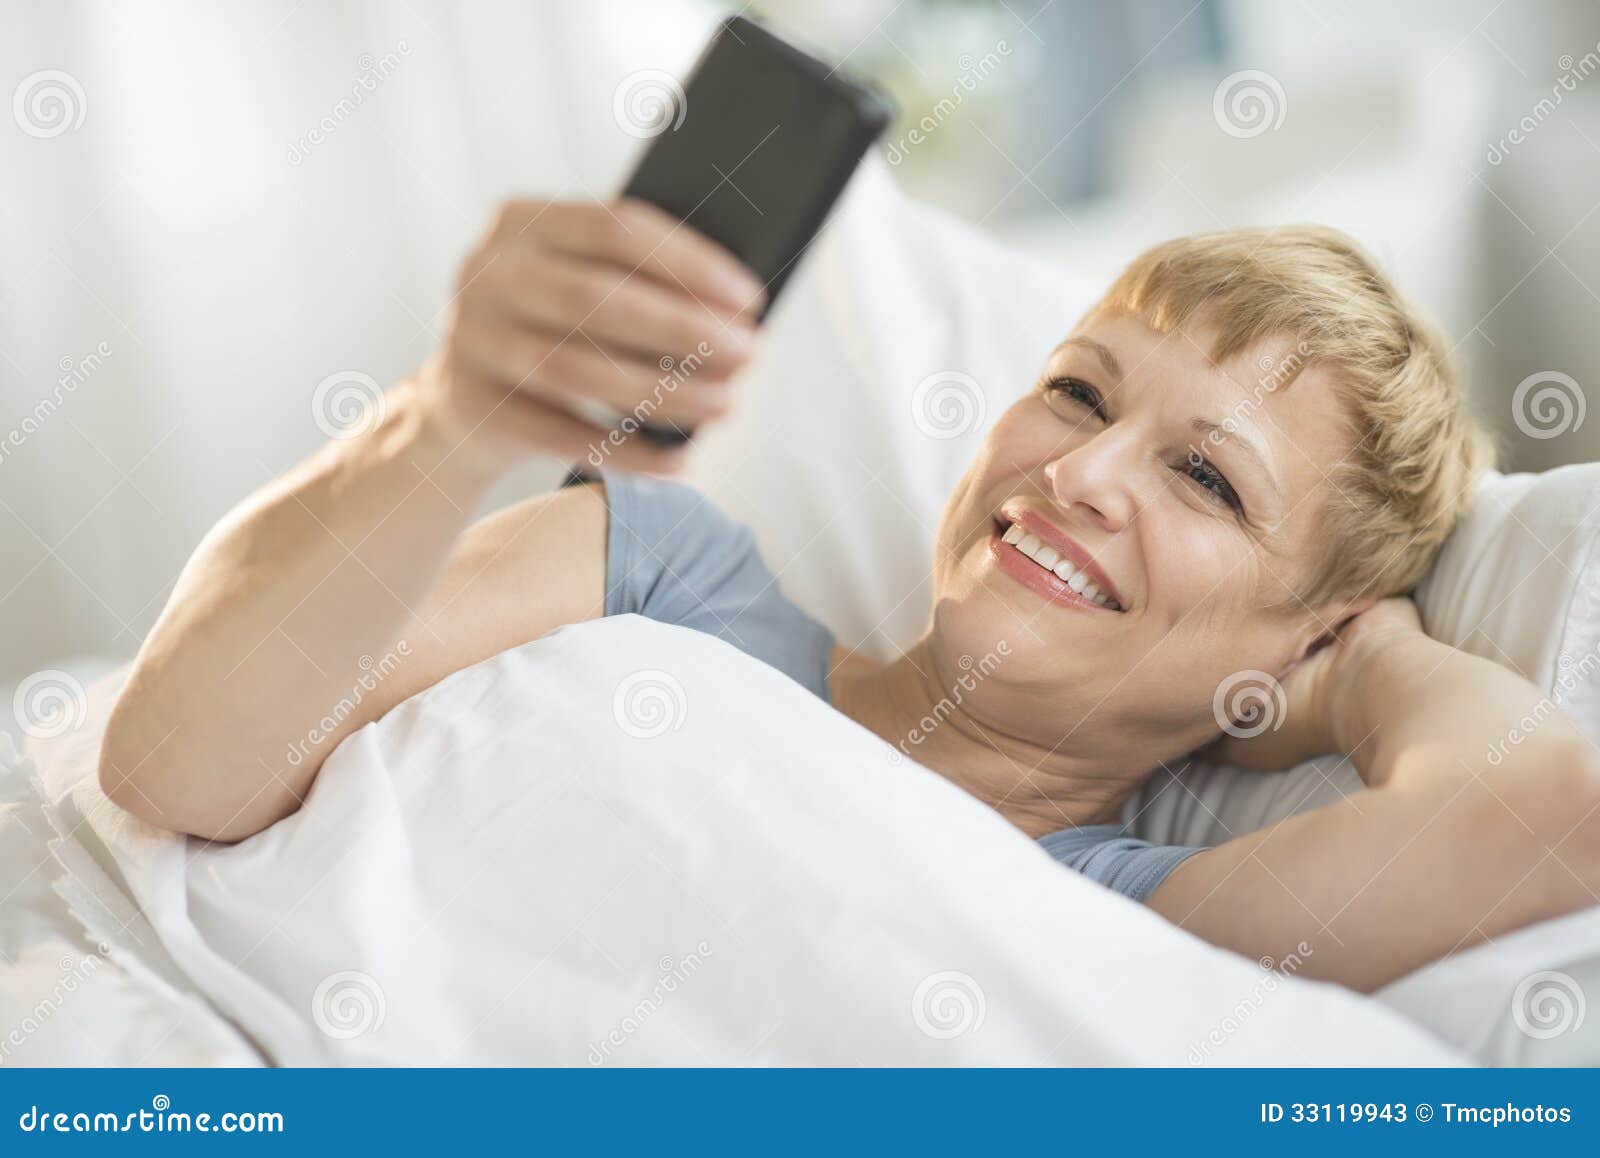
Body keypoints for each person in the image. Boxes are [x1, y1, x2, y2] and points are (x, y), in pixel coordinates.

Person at [100, 199, 1600, 993]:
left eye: (1205, 481)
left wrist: (1350, 676)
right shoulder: (669, 570)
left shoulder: (1127, 923)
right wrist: (449, 419)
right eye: (1079, 393)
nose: (1083, 475)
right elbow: (177, 762)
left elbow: (1550, 804)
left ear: (1294, 636)